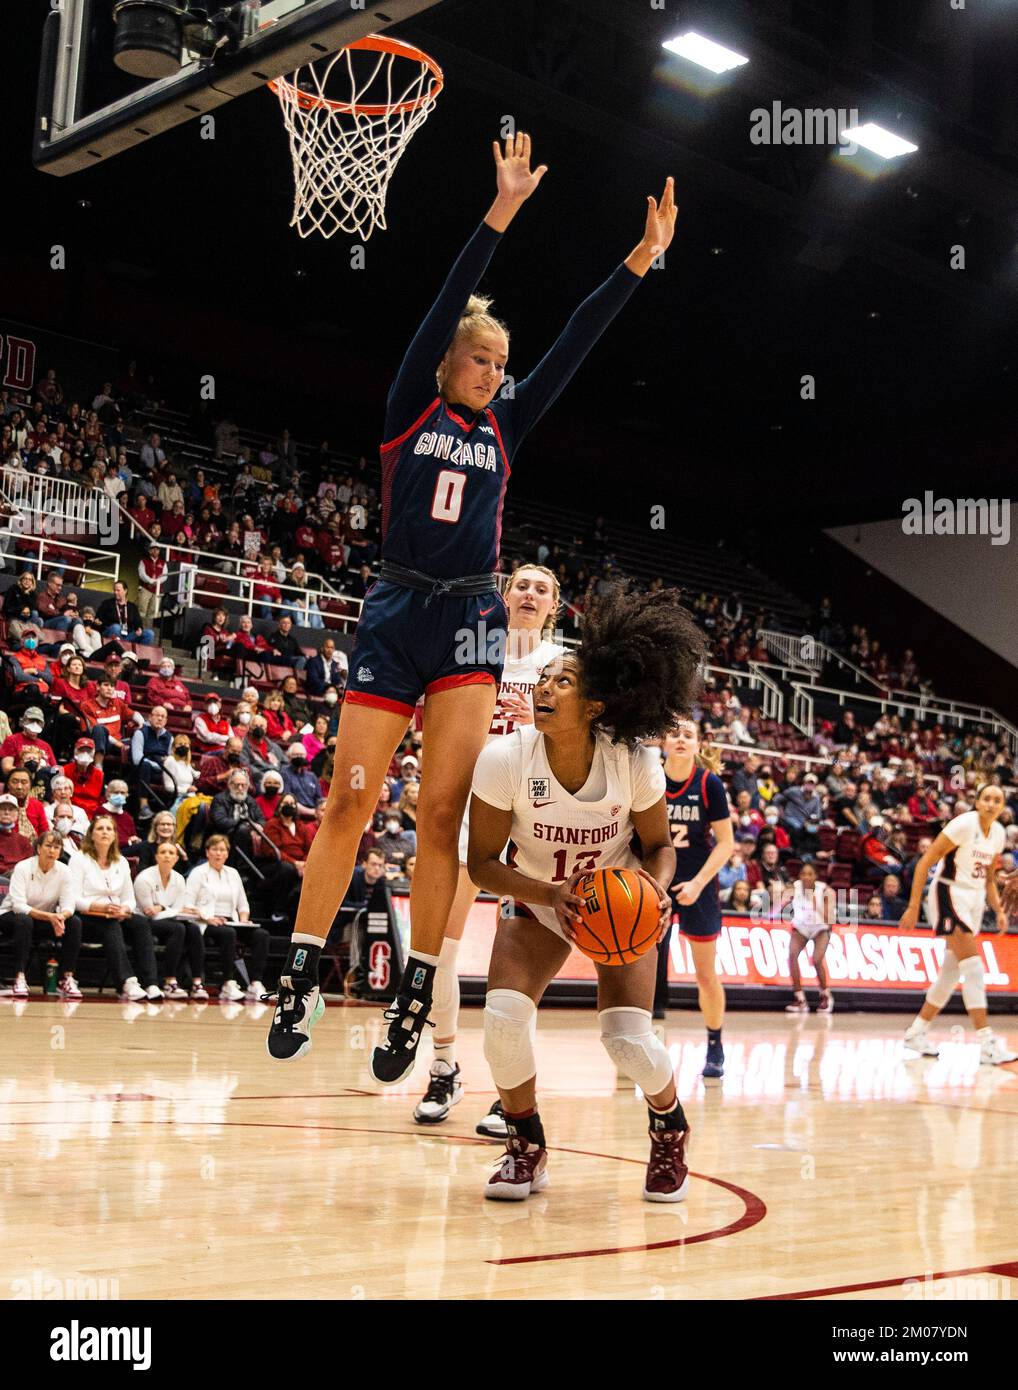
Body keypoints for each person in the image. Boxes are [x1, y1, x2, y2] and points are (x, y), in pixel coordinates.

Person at [267, 135, 678, 1079]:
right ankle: (300, 967)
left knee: (442, 809)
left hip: (467, 621)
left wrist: (637, 263)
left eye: (502, 362)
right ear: (450, 358)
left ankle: (418, 987)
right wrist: (501, 210)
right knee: (349, 800)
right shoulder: (412, 400)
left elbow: (575, 342)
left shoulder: (507, 421)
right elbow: (448, 299)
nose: (495, 370)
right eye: (481, 357)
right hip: (393, 608)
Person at [467, 585, 704, 1201]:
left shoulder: (633, 761)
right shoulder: (503, 759)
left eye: (562, 681)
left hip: (619, 903)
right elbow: (482, 864)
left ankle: (668, 1126)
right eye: (541, 678)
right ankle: (526, 1145)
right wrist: (550, 894)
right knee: (501, 1019)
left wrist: (652, 890)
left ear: (596, 704)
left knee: (626, 1039)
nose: (543, 688)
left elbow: (660, 846)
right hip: (541, 894)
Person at [413, 563, 565, 1127]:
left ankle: (512, 1093)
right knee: (440, 954)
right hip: (472, 811)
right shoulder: (476, 652)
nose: (529, 594)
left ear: (555, 605)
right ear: (505, 596)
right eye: (521, 585)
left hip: (533, 821)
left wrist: (542, 725)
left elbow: (581, 746)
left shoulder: (564, 666)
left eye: (541, 589)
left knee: (519, 966)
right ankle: (444, 1067)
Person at [901, 785, 1016, 1065]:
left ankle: (916, 1033)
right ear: (977, 802)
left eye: (997, 800)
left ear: (1002, 806)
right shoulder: (964, 824)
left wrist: (999, 910)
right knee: (974, 969)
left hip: (974, 899)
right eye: (986, 798)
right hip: (948, 893)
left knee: (951, 973)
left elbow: (989, 878)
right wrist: (914, 905)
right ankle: (987, 1043)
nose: (991, 803)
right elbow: (925, 861)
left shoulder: (998, 833)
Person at [653, 721, 733, 1076]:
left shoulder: (708, 783)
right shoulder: (650, 776)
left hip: (697, 885)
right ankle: (642, 1041)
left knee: (705, 974)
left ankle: (715, 1045)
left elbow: (727, 843)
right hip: (655, 882)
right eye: (675, 734)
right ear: (664, 741)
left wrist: (699, 883)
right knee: (644, 972)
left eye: (688, 735)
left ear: (698, 743)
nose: (681, 739)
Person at [67, 815, 163, 1002]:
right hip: (87, 916)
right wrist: (101, 907)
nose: (105, 832)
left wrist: (124, 909)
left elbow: (129, 897)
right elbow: (73, 898)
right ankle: (126, 982)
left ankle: (151, 983)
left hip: (115, 914)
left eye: (109, 829)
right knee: (110, 927)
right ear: (91, 834)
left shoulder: (121, 861)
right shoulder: (79, 859)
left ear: (114, 835)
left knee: (141, 923)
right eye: (100, 828)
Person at [183, 835, 268, 1002]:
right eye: (214, 849)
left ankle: (256, 983)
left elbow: (243, 904)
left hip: (232, 921)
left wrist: (244, 919)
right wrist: (208, 918)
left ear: (227, 854)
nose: (218, 854)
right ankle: (228, 983)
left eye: (222, 850)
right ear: (207, 852)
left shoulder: (233, 873)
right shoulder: (198, 873)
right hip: (205, 922)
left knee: (261, 935)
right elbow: (187, 904)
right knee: (227, 933)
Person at [0, 830, 83, 999]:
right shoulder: (23, 867)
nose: (52, 850)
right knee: (24, 920)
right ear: (38, 848)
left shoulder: (65, 871)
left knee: (74, 922)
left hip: (45, 918)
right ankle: (19, 978)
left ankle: (67, 978)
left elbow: (69, 905)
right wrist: (51, 917)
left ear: (60, 852)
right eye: (48, 845)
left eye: (56, 847)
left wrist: (61, 917)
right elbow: (18, 906)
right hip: (11, 917)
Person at [784, 863, 837, 1014]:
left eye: (810, 874)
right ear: (799, 876)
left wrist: (816, 905)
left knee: (816, 959)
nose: (806, 877)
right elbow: (780, 901)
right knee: (792, 955)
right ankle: (800, 998)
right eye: (803, 874)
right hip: (802, 927)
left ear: (815, 876)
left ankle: (826, 995)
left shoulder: (826, 891)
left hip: (820, 927)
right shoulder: (794, 887)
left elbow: (830, 920)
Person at [96, 580, 155, 646]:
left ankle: (138, 655)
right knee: (116, 627)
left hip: (128, 636)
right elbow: (98, 618)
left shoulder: (132, 606)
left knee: (149, 633)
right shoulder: (107, 603)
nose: (115, 592)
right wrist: (98, 621)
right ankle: (116, 650)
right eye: (114, 590)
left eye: (118, 590)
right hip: (111, 633)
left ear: (125, 591)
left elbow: (138, 622)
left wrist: (139, 628)